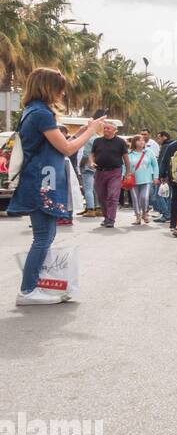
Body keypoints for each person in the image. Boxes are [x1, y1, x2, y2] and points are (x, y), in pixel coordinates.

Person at [8, 68, 104, 305]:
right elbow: (67, 150)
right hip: (41, 183)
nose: (62, 93)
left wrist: (81, 132)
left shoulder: (33, 111)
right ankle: (28, 290)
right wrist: (91, 131)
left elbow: (58, 145)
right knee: (43, 238)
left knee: (45, 237)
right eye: (60, 87)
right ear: (48, 87)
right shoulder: (42, 113)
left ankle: (34, 287)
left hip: (39, 181)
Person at [90, 117, 129, 228]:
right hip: (100, 172)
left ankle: (111, 219)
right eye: (104, 128)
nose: (105, 130)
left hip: (115, 172)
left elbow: (126, 157)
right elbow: (92, 154)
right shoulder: (97, 141)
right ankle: (106, 217)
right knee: (101, 196)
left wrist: (128, 172)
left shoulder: (121, 142)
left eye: (108, 128)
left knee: (113, 195)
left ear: (114, 130)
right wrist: (92, 162)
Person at [124, 134, 158, 226]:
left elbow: (155, 165)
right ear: (134, 142)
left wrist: (155, 177)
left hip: (146, 179)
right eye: (139, 140)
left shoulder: (148, 152)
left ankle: (145, 213)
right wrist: (123, 176)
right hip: (133, 180)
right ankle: (138, 217)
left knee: (144, 197)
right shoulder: (129, 153)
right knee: (135, 199)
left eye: (143, 140)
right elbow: (124, 165)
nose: (141, 142)